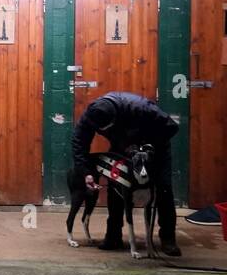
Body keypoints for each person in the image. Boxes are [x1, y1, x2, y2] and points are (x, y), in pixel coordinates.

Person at [71, 91, 181, 256]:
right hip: (122, 147)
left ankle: (168, 237)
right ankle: (113, 235)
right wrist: (86, 172)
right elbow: (79, 142)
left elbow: (171, 127)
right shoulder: (91, 115)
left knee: (163, 187)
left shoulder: (140, 107)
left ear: (116, 117)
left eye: (107, 128)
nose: (104, 132)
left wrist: (146, 146)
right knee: (115, 186)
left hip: (153, 148)